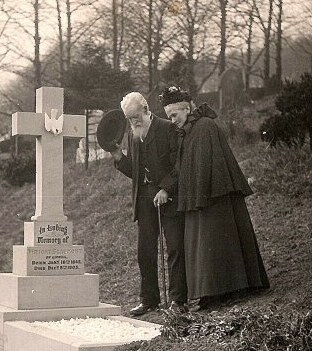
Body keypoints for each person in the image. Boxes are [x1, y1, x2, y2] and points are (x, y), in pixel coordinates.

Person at [159, 85, 269, 309]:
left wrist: (200, 192)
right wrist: (166, 189)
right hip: (198, 197)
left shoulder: (205, 126)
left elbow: (212, 163)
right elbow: (182, 167)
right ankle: (210, 292)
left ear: (187, 108)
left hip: (215, 196)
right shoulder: (187, 131)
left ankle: (223, 290)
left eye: (174, 115)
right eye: (169, 116)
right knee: (202, 244)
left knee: (215, 241)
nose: (172, 120)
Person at [113, 92, 187, 316]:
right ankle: (149, 300)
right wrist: (119, 157)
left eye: (135, 117)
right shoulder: (133, 133)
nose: (133, 122)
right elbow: (135, 171)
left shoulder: (167, 128)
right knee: (144, 251)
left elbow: (180, 164)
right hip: (144, 199)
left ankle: (178, 301)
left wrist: (166, 188)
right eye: (129, 119)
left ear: (146, 110)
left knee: (175, 248)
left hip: (169, 198)